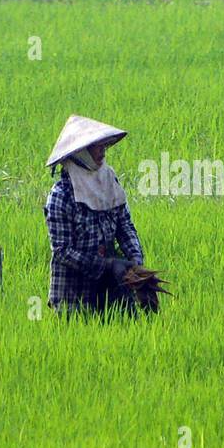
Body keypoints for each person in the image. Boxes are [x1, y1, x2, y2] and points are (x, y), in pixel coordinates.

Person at [43, 115, 147, 315]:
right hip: (73, 296)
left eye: (103, 146)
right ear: (79, 152)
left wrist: (135, 264)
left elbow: (125, 226)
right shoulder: (61, 196)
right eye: (96, 146)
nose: (102, 151)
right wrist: (108, 265)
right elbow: (62, 251)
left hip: (111, 287)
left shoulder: (109, 180)